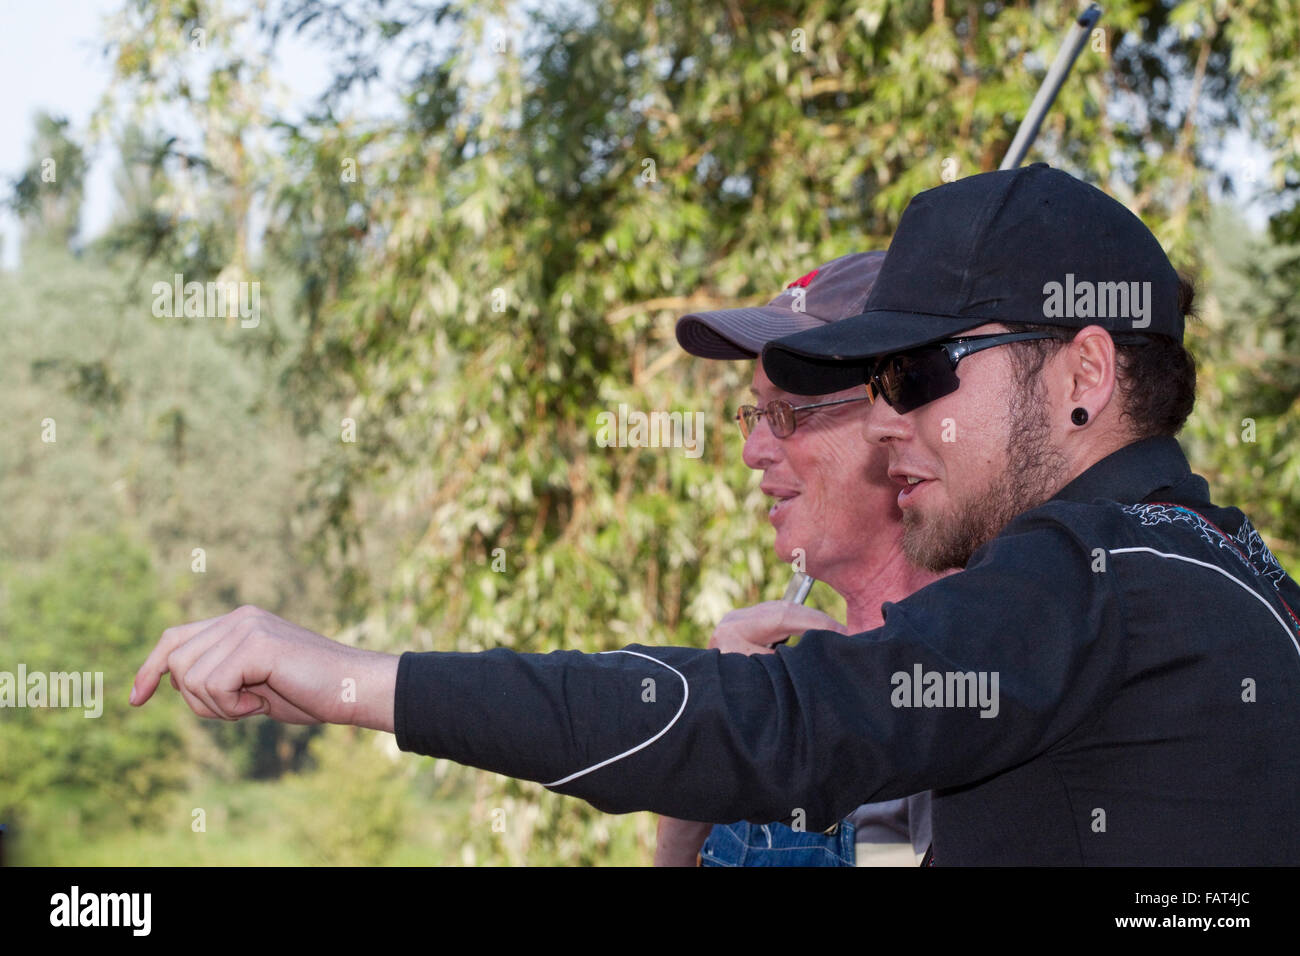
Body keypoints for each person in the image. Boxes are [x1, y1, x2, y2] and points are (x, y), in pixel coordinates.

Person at [132, 164, 1300, 864]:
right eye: (878, 384)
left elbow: (777, 723)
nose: (895, 424)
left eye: (921, 373)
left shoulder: (1088, 577)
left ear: (1084, 372)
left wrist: (346, 678)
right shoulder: (1220, 574)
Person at [660, 250, 941, 866]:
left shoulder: (991, 688)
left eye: (787, 411)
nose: (754, 450)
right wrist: (698, 759)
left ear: (899, 418)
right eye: (756, 413)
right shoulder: (763, 673)